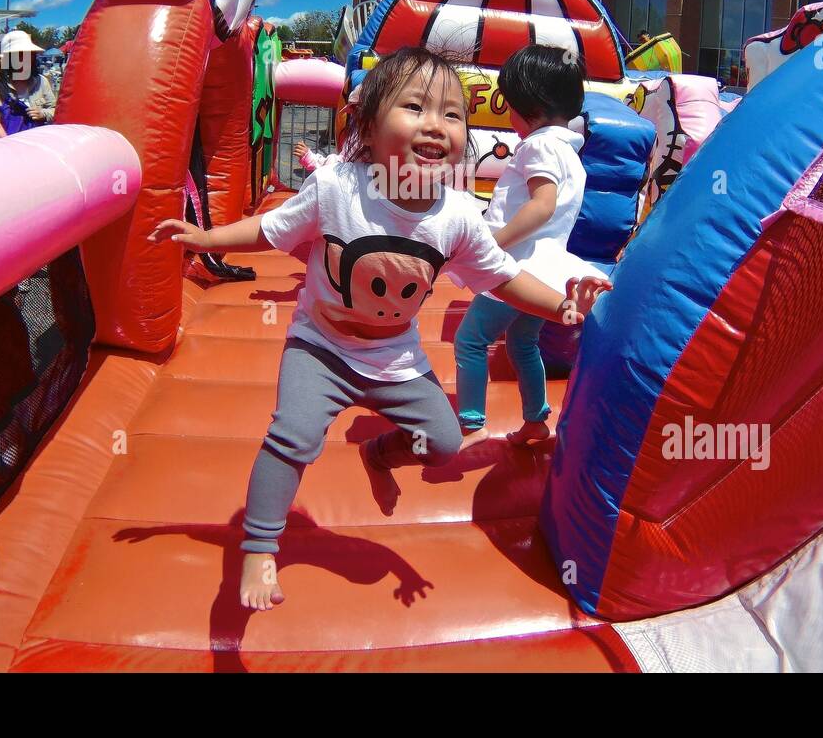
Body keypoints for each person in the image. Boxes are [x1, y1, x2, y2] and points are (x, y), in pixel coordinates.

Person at [148, 46, 611, 610]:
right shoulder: (339, 188)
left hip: (395, 360)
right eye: (415, 107)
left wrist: (564, 308)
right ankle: (260, 546)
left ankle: (381, 456)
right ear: (367, 128)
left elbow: (506, 279)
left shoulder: (458, 215)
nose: (436, 125)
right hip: (320, 348)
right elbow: (269, 230)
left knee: (442, 442)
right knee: (294, 435)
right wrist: (206, 239)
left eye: (453, 113)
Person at [453, 44, 602, 448]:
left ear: (530, 107)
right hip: (546, 267)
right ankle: (536, 421)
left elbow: (542, 206)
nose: (511, 119)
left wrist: (487, 244)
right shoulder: (570, 151)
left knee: (470, 341)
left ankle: (472, 426)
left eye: (512, 109)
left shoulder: (537, 145)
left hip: (516, 266)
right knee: (523, 342)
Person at [0, 30, 56, 134]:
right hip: (3, 144)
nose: (25, 59)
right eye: (19, 55)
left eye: (30, 54)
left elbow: (55, 109)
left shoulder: (41, 82)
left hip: (35, 142)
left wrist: (43, 114)